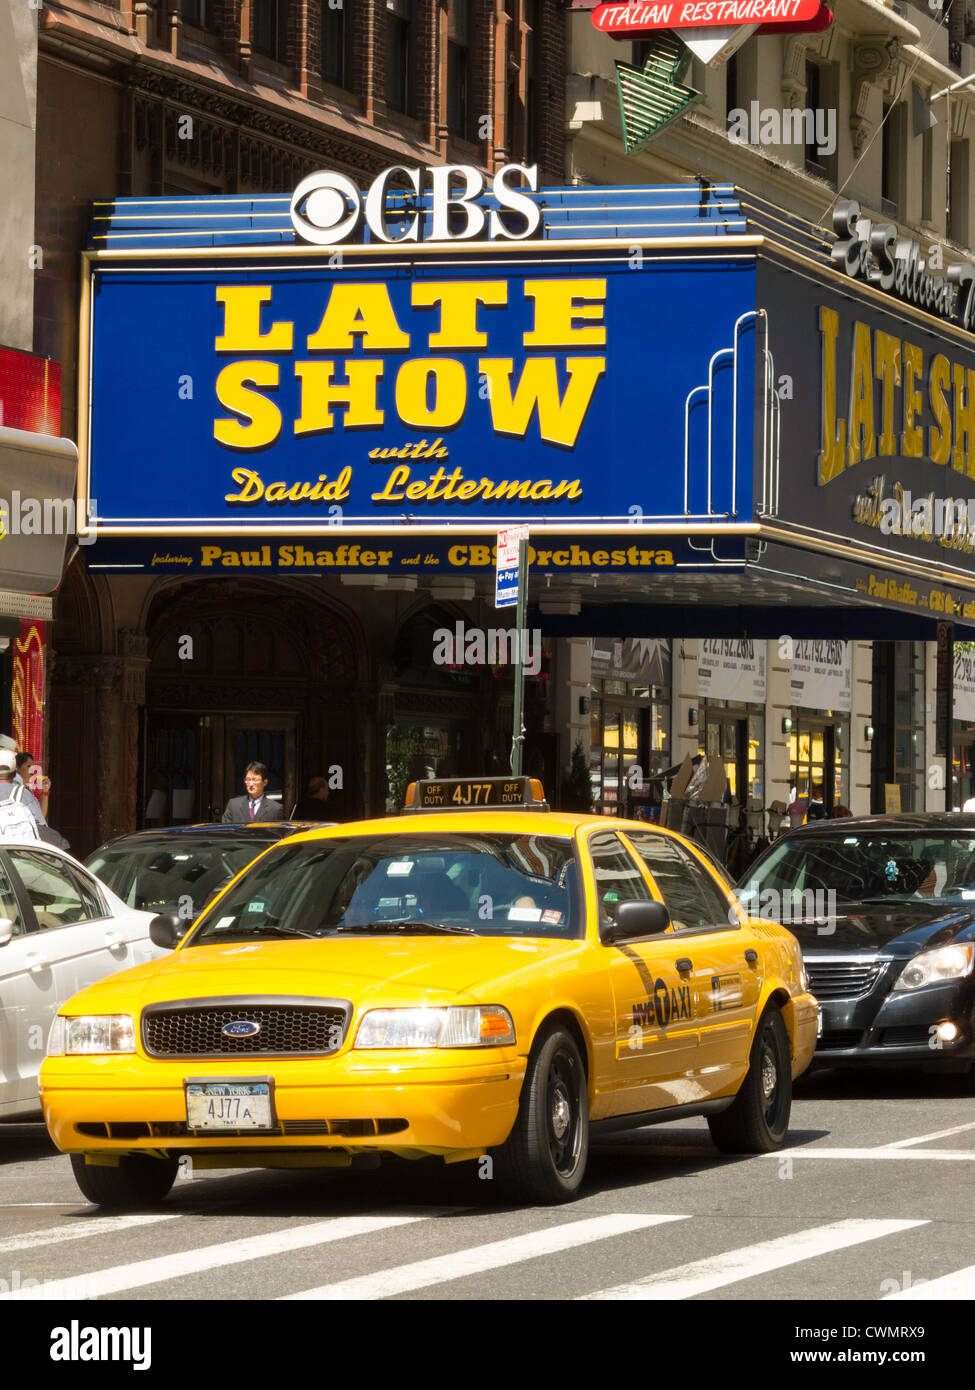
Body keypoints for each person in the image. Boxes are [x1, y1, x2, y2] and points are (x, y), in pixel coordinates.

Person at [0, 749, 46, 833]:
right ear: (16, 769)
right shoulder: (24, 794)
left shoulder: (25, 791)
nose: (32, 771)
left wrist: (45, 793)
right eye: (28, 766)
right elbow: (41, 824)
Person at [15, 751, 51, 820]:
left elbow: (41, 816)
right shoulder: (15, 788)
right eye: (28, 766)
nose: (33, 770)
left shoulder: (26, 789)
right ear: (17, 768)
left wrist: (45, 792)